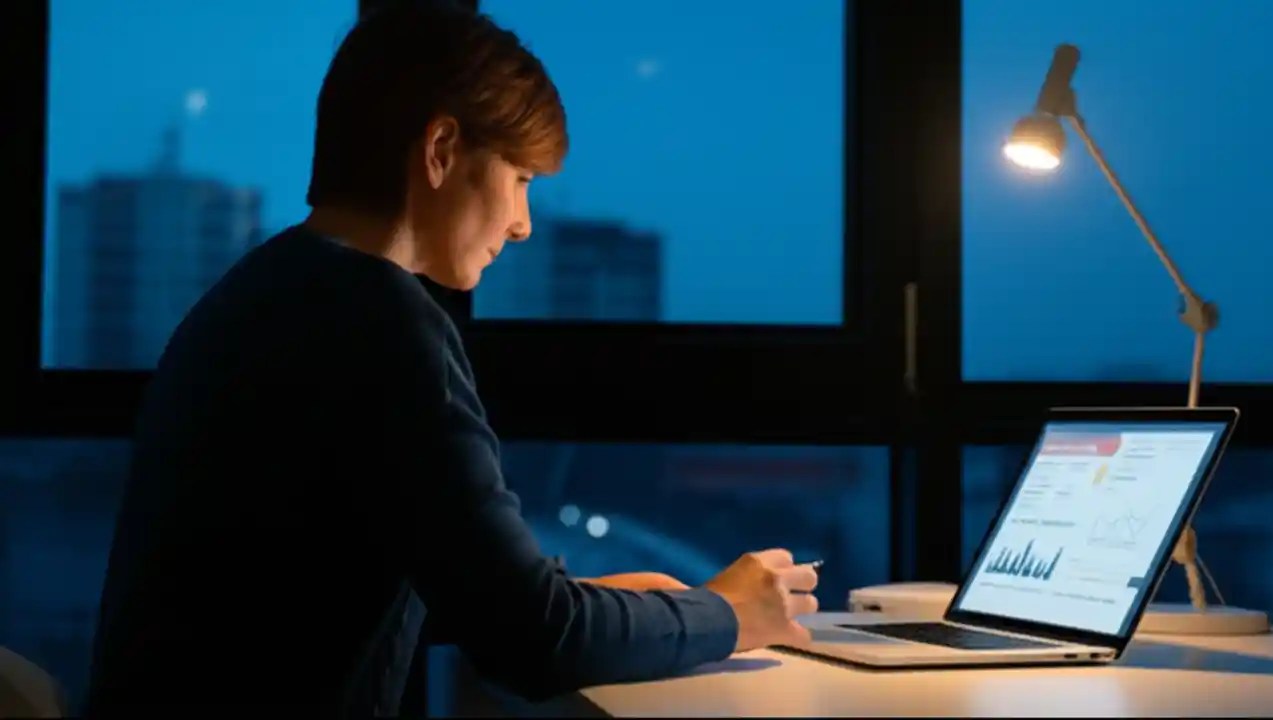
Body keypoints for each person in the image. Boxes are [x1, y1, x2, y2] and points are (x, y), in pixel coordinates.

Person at [83, 1, 819, 713]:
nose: (523, 224)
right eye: (520, 179)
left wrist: (584, 601)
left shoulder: (265, 290)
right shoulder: (384, 324)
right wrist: (727, 615)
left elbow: (313, 593)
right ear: (440, 151)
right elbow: (534, 642)